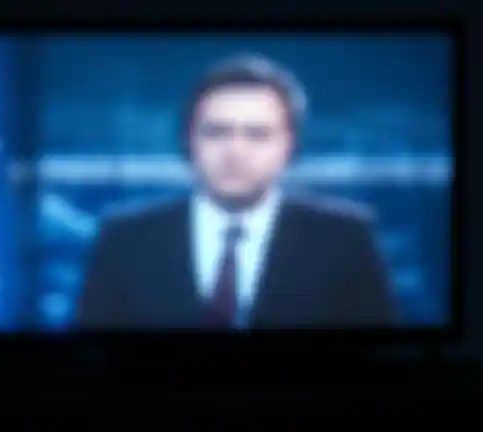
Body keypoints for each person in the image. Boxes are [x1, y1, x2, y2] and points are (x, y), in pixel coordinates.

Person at [75, 54, 396, 329]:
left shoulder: (345, 238)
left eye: (257, 134)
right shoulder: (124, 238)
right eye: (217, 132)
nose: (235, 151)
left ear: (289, 145)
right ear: (188, 140)